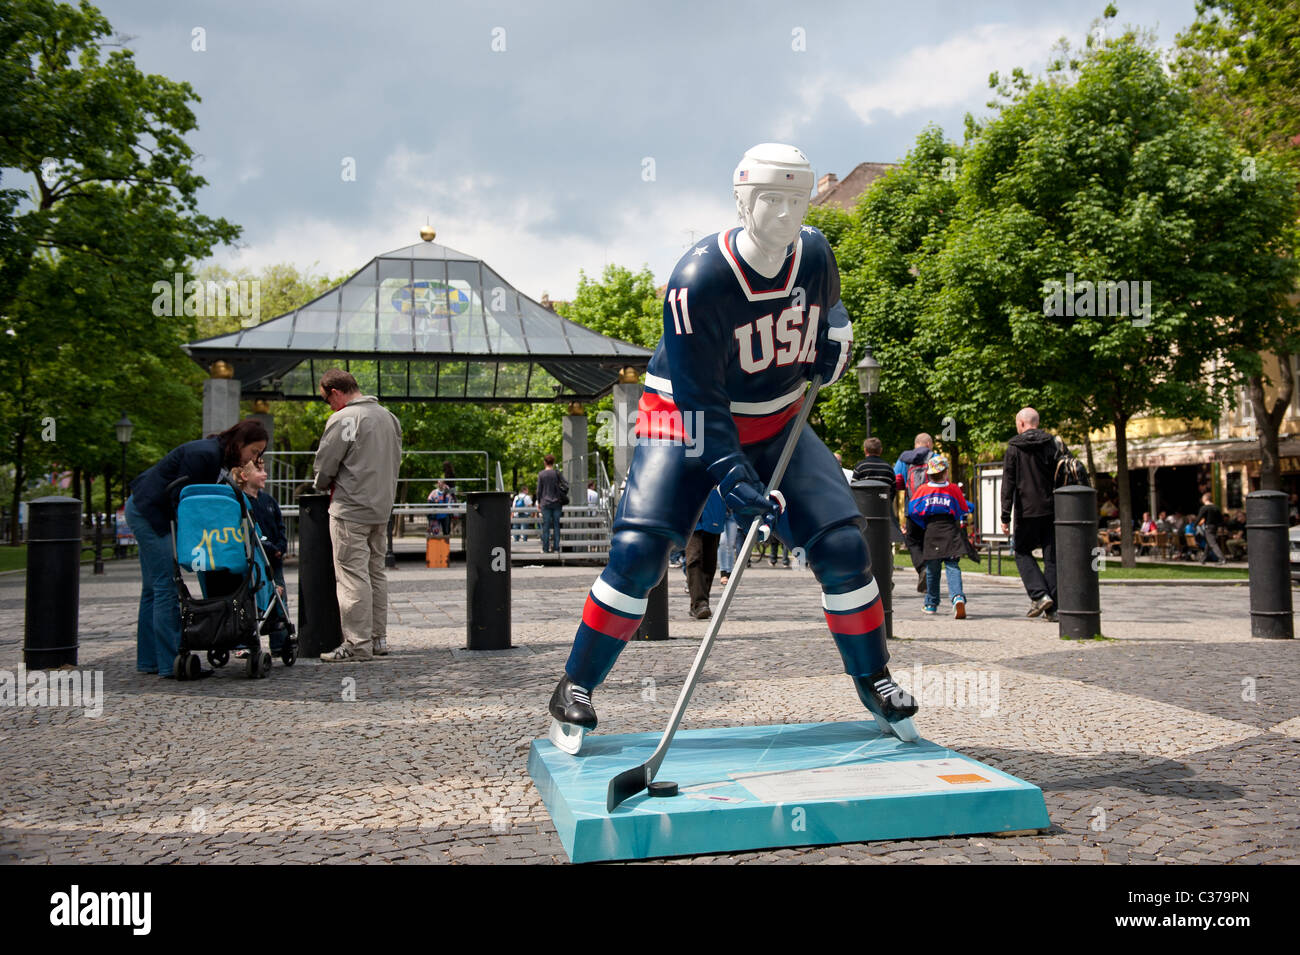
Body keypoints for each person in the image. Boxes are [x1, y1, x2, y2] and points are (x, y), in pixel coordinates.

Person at [546, 143, 916, 754]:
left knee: (845, 546)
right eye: (771, 199)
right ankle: (575, 684)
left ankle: (873, 677)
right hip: (685, 421)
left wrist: (837, 343)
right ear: (742, 201)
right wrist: (731, 476)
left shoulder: (817, 253)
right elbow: (699, 401)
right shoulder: (698, 280)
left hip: (777, 420)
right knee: (640, 552)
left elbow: (833, 314)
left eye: (796, 200)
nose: (784, 213)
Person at [125, 419, 268, 677]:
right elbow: (186, 498)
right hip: (150, 513)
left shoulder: (213, 454)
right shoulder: (206, 454)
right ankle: (170, 663)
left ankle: (150, 661)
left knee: (153, 588)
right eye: (254, 451)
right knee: (165, 585)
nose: (253, 458)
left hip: (143, 507)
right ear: (239, 443)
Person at [312, 369, 403, 662]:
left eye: (327, 399)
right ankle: (378, 639)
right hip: (381, 508)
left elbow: (326, 465)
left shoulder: (343, 419)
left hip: (350, 508)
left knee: (352, 575)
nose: (329, 405)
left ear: (335, 392)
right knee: (376, 572)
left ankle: (357, 643)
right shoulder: (389, 418)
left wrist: (319, 484)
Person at [1000, 407, 1059, 621]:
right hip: (1053, 509)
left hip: (1026, 510)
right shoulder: (1053, 444)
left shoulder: (1014, 448)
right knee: (1051, 557)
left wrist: (1005, 515)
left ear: (1022, 424)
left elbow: (1008, 483)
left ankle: (1039, 594)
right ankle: (1053, 609)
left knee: (1022, 551)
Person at [907, 454, 972, 617]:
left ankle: (931, 603)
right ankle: (957, 597)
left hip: (931, 531)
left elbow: (913, 510)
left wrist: (923, 524)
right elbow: (963, 508)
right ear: (946, 472)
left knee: (932, 569)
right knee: (953, 566)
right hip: (950, 530)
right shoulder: (953, 489)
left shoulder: (923, 490)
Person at [894, 434, 934, 592]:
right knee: (929, 542)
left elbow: (897, 481)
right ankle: (929, 576)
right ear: (929, 444)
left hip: (913, 507)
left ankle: (922, 568)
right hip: (933, 507)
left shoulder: (904, 459)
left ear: (916, 444)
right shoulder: (935, 457)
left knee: (912, 540)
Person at [853, 436, 903, 544]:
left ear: (865, 450)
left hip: (864, 509)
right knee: (883, 541)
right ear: (881, 450)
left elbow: (854, 489)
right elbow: (893, 489)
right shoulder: (888, 468)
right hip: (883, 508)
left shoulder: (860, 466)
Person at [685, 489, 726, 619]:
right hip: (690, 512)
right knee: (694, 557)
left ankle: (700, 603)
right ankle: (700, 603)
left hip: (714, 510)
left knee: (710, 561)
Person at [536, 454, 564, 553]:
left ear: (545, 462)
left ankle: (545, 549)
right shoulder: (557, 473)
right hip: (557, 502)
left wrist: (539, 502)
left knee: (546, 526)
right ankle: (556, 548)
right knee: (556, 526)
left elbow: (539, 490)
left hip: (545, 502)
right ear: (553, 462)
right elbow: (565, 485)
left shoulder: (541, 474)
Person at [1196, 492, 1225, 564]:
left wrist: (1195, 525)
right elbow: (1221, 519)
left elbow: (1199, 518)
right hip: (1215, 527)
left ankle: (1222, 558)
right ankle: (1203, 559)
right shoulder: (1216, 507)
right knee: (1208, 543)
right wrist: (1221, 527)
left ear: (1205, 499)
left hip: (1208, 527)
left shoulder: (1204, 508)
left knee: (1212, 543)